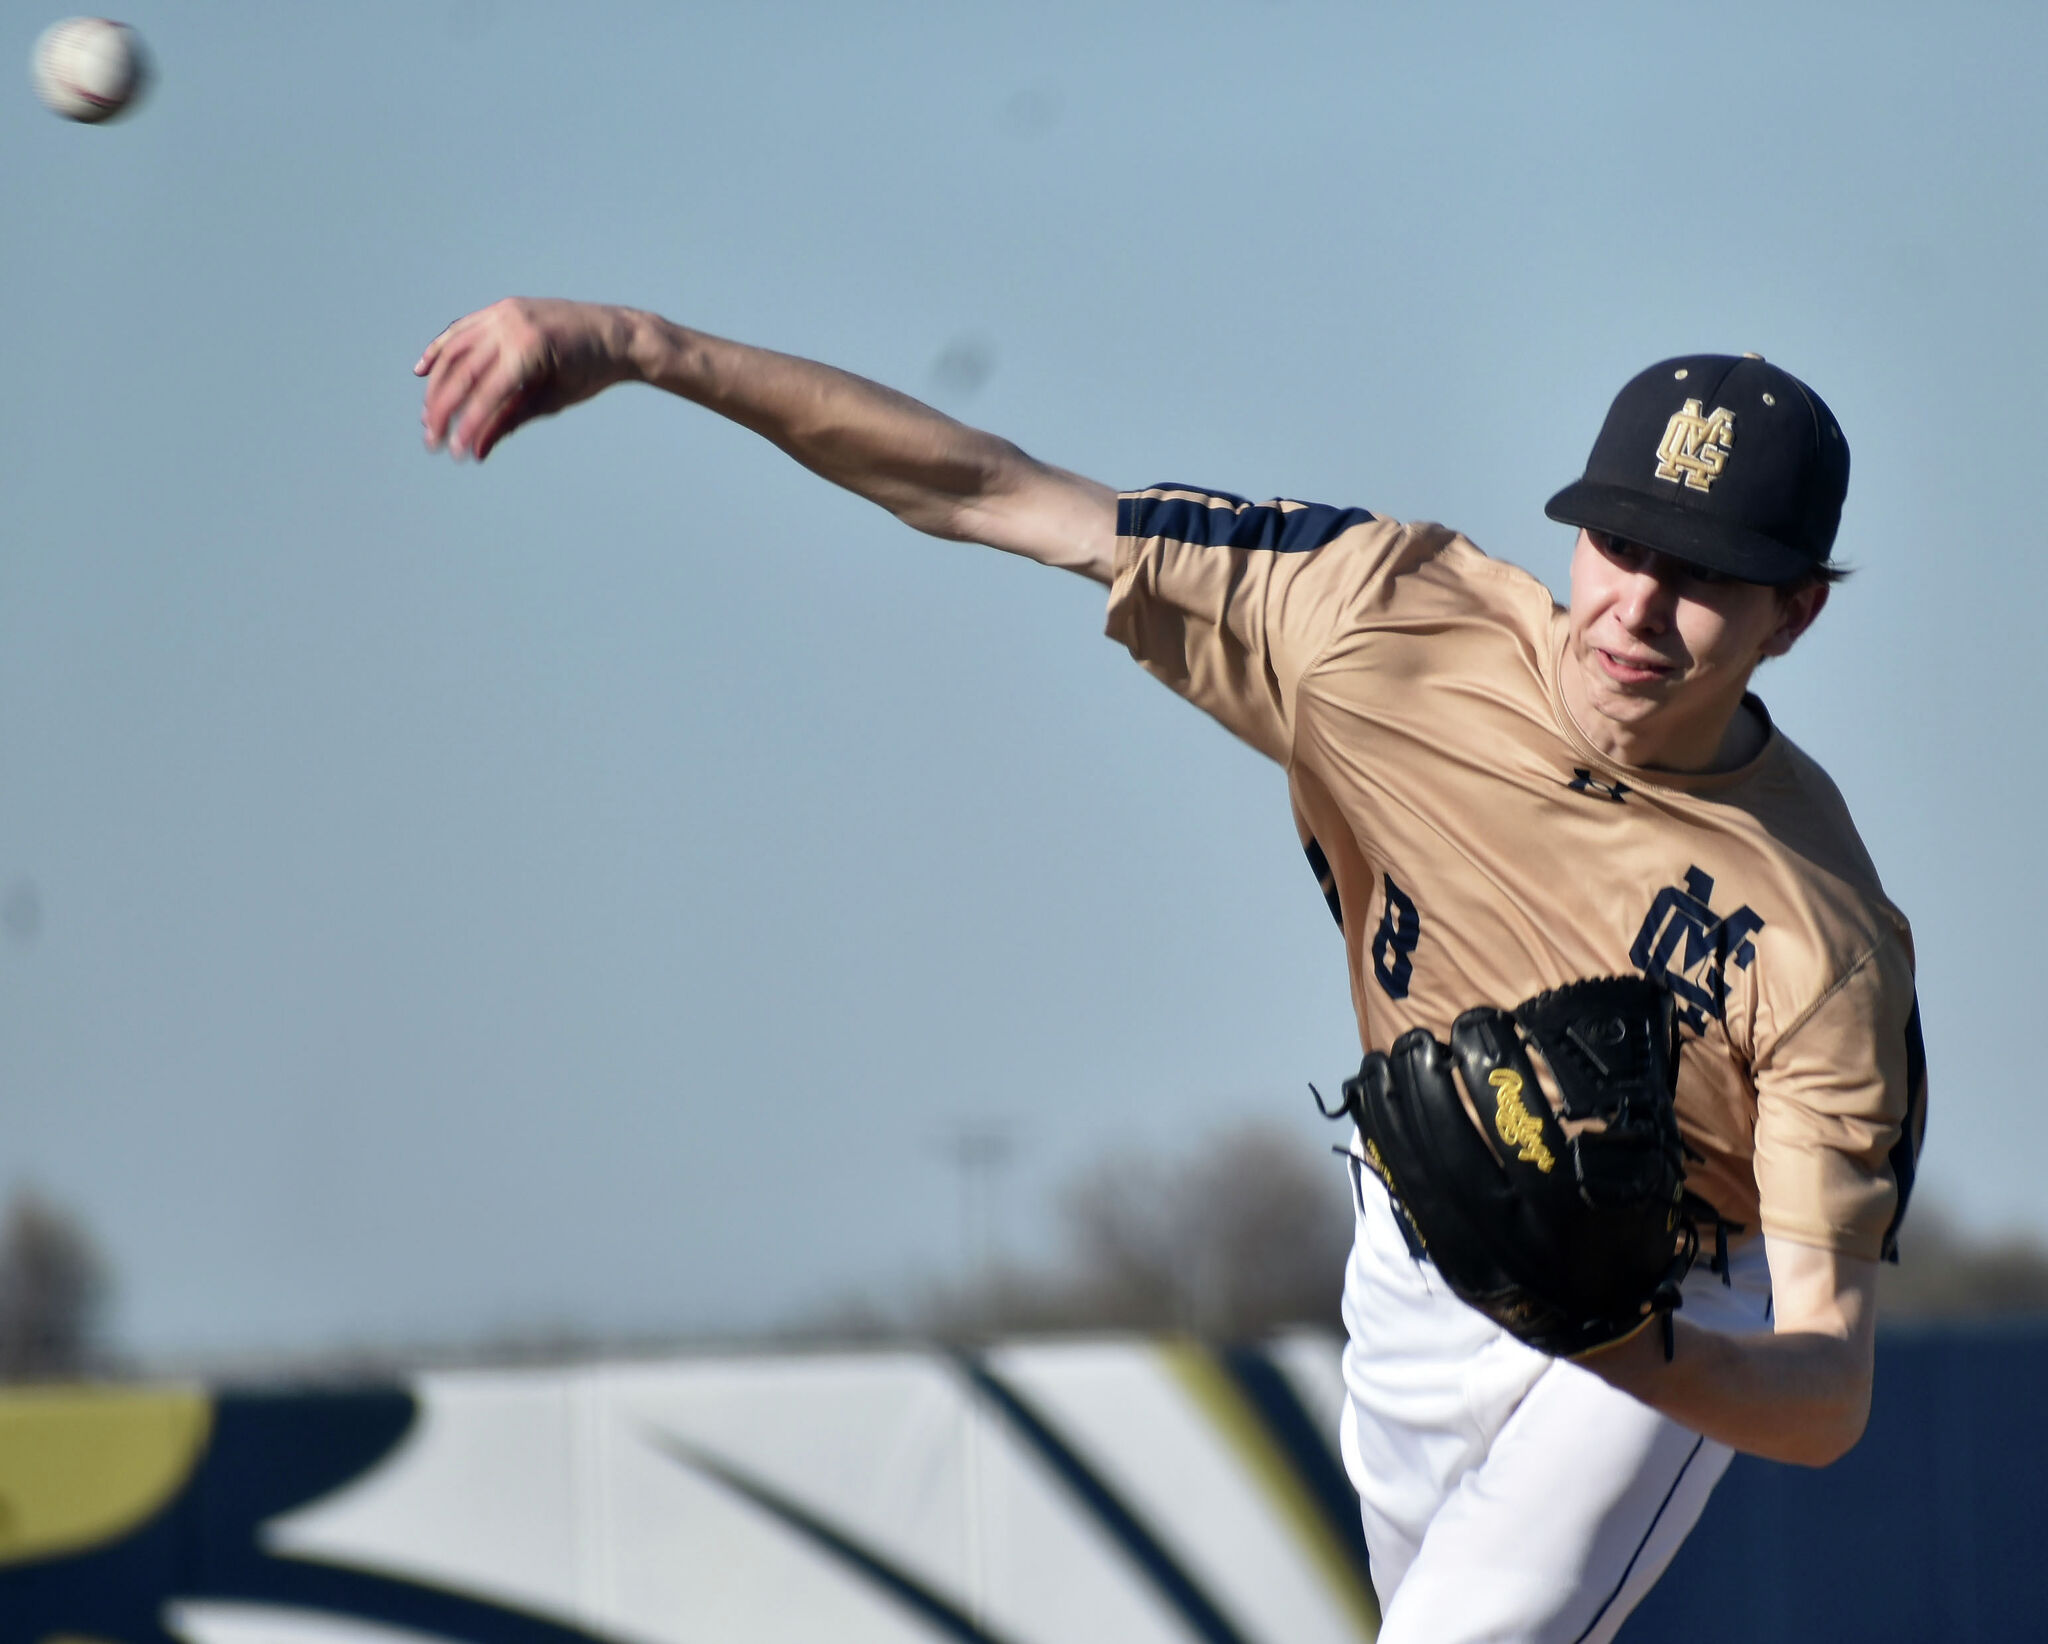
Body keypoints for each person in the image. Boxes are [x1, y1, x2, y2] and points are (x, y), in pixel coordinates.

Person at [415, 304, 1926, 1643]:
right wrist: (640, 349)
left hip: (1674, 1299)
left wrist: (1615, 1337)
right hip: (1421, 1239)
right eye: (1622, 544)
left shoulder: (1820, 932)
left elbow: (1827, 1390)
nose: (1640, 609)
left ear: (1797, 610)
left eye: (1710, 575)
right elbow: (993, 489)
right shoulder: (1375, 618)